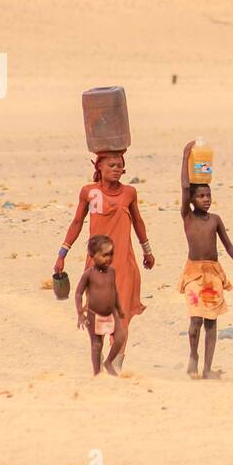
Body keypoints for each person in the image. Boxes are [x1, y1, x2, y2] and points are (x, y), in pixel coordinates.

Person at [56, 151, 154, 372]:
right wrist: (62, 254)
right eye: (111, 165)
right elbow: (77, 223)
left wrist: (147, 250)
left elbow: (138, 222)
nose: (116, 169)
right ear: (99, 167)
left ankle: (116, 365)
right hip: (96, 266)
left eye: (119, 165)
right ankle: (98, 361)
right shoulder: (89, 192)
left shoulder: (129, 193)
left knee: (122, 316)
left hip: (124, 264)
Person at [179, 140, 233, 379]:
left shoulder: (215, 219)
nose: (206, 199)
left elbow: (228, 246)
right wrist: (186, 157)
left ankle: (207, 367)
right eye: (201, 196)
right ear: (192, 200)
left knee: (212, 322)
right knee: (195, 320)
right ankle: (193, 358)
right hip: (194, 273)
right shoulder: (188, 217)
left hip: (213, 274)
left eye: (208, 195)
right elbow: (185, 188)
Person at [75, 235, 126, 376]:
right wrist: (80, 313)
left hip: (111, 313)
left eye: (111, 254)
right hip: (94, 314)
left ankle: (109, 361)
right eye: (104, 255)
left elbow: (114, 291)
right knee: (97, 345)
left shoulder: (112, 272)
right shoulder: (89, 275)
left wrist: (120, 308)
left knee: (120, 337)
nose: (109, 258)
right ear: (92, 256)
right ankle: (97, 373)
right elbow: (78, 293)